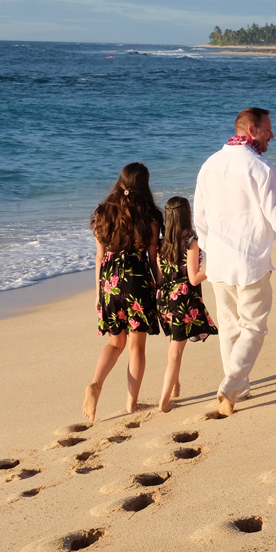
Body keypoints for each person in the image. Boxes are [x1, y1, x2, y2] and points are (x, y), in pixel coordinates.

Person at [194, 108, 276, 417]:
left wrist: (208, 255)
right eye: (268, 130)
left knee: (229, 328)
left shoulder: (208, 165)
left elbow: (200, 220)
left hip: (219, 263)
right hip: (250, 262)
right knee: (253, 328)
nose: (272, 136)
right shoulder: (261, 169)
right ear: (252, 130)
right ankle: (231, 384)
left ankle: (240, 386)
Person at [83, 163, 163, 422]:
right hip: (136, 281)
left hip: (109, 282)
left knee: (115, 343)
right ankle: (131, 404)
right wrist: (160, 285)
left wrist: (98, 294)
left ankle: (95, 383)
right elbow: (152, 259)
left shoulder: (102, 213)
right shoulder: (149, 216)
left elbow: (99, 257)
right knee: (136, 348)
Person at [156, 196, 218, 412]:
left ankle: (174, 385)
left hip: (165, 300)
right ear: (188, 215)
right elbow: (193, 279)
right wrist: (213, 269)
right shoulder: (191, 241)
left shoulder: (162, 243)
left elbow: (161, 276)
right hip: (183, 300)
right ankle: (163, 401)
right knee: (176, 352)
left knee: (174, 346)